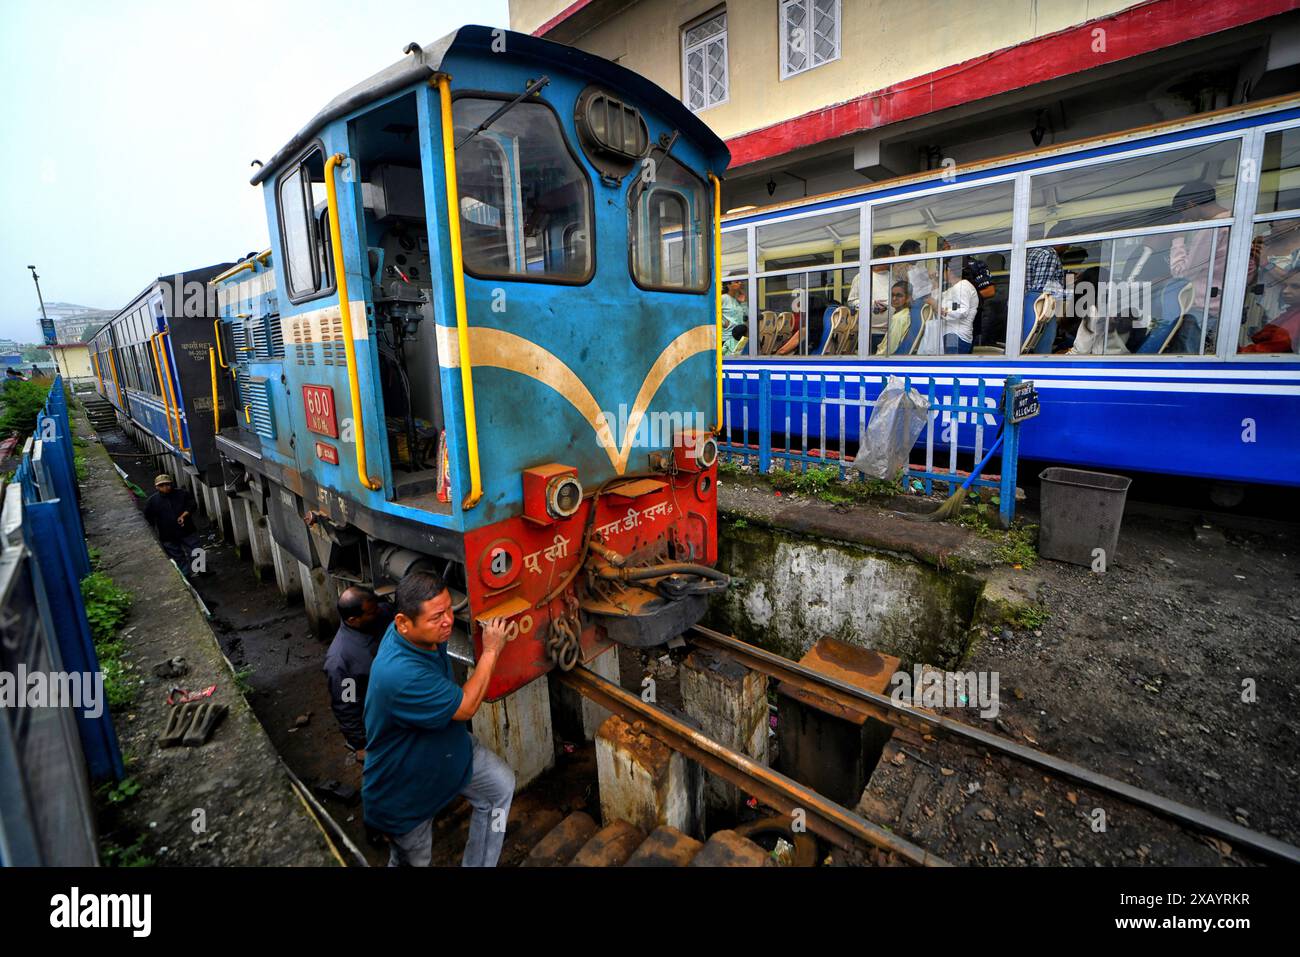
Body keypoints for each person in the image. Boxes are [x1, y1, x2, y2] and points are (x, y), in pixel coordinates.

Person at [363, 570, 515, 867]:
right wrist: (492, 650)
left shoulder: (421, 635)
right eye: (436, 617)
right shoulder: (401, 675)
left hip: (450, 750)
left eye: (449, 609)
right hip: (407, 791)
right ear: (403, 623)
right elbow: (467, 706)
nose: (448, 621)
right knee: (413, 859)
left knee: (500, 789)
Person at [323, 587, 394, 762]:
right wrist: (360, 743)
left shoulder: (379, 614)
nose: (379, 612)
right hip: (380, 723)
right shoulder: (342, 662)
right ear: (353, 620)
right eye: (371, 612)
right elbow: (347, 705)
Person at [143, 474, 201, 577]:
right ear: (156, 487)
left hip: (186, 529)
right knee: (177, 556)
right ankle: (185, 576)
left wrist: (184, 515)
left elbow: (192, 505)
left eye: (167, 484)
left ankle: (201, 570)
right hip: (168, 534)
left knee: (196, 550)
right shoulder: (152, 501)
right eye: (161, 485)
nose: (165, 487)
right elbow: (148, 517)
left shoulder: (182, 494)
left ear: (171, 484)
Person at [939, 259, 978, 354]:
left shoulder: (961, 287)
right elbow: (938, 296)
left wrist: (943, 311)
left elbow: (963, 311)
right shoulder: (955, 288)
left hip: (955, 335)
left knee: (950, 366)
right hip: (954, 335)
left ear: (949, 271)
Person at [875, 281, 914, 355]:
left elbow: (890, 348)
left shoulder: (899, 319)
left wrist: (877, 357)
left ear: (908, 298)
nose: (894, 298)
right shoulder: (904, 313)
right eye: (892, 295)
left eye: (899, 295)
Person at [721, 274, 746, 347]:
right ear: (729, 285)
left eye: (740, 281)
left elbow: (745, 316)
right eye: (736, 282)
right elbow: (712, 313)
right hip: (727, 338)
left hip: (739, 337)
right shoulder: (723, 298)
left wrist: (743, 302)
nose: (740, 283)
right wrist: (724, 323)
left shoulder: (737, 300)